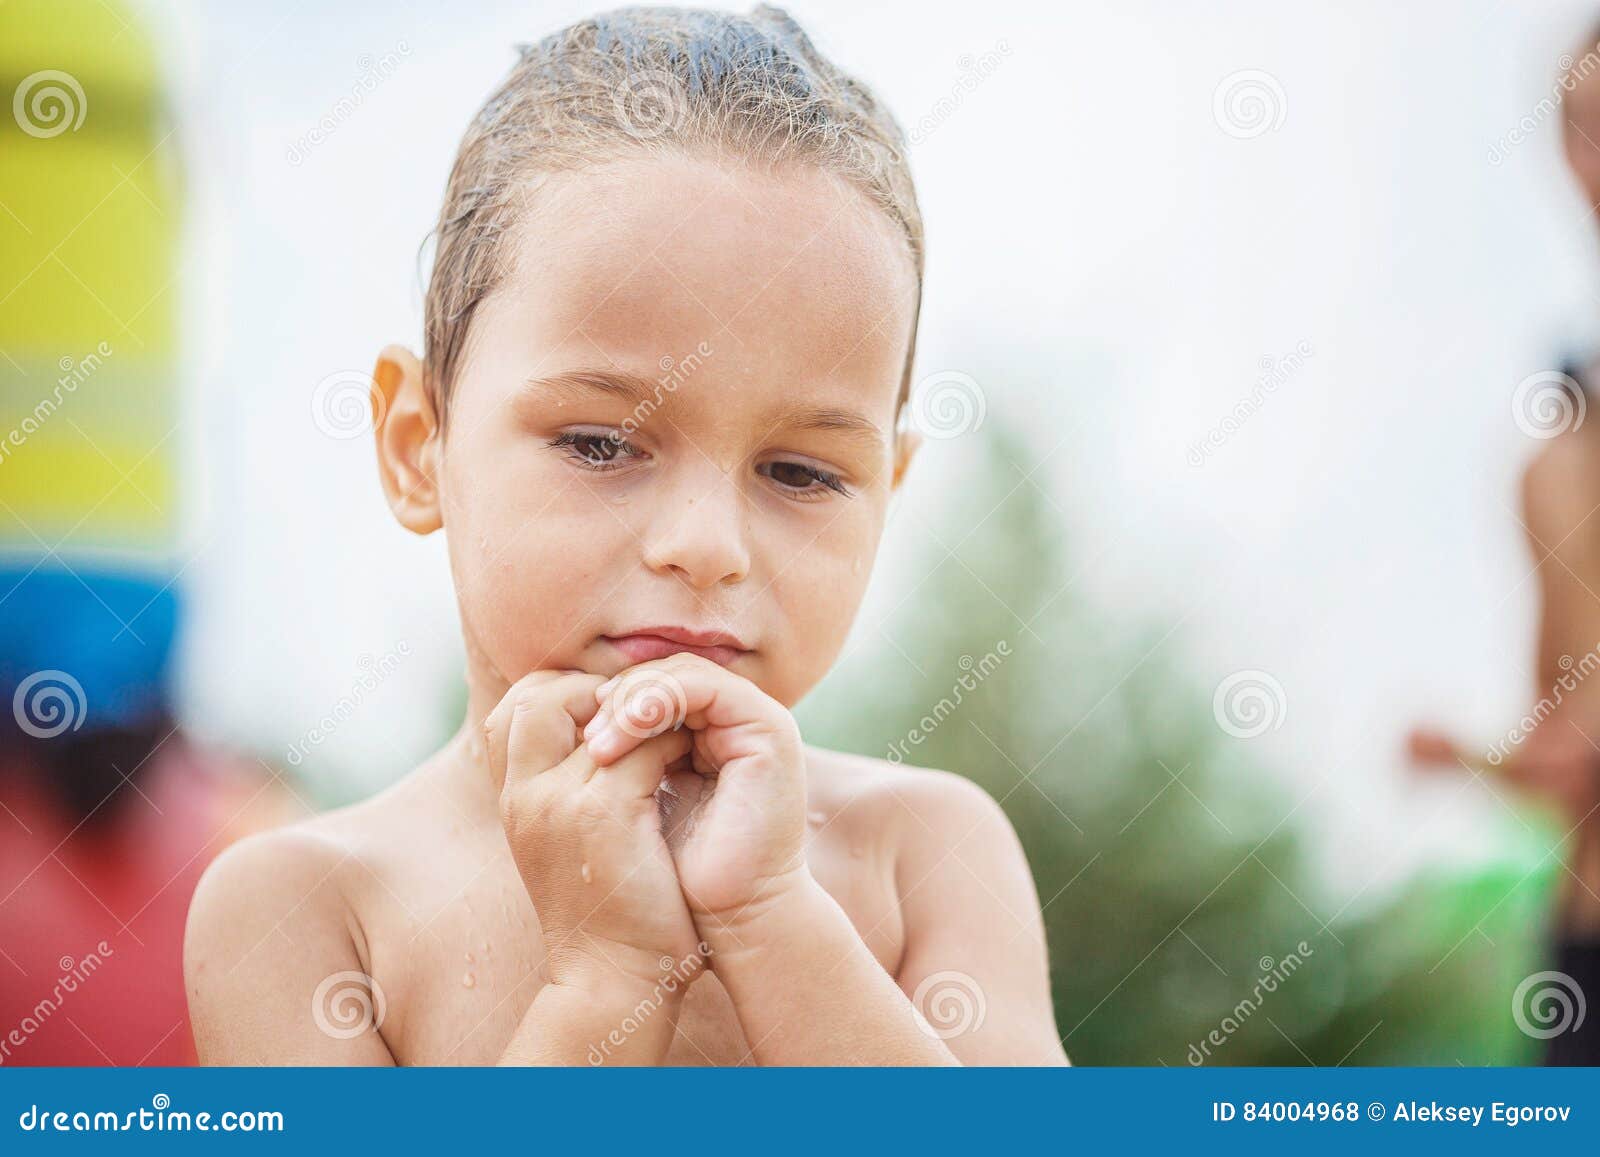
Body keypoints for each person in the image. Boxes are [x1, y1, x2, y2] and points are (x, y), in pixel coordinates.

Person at [183, 5, 1066, 1066]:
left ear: (889, 488)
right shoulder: (306, 907)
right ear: (420, 447)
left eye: (801, 471)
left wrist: (770, 916)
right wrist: (609, 975)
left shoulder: (925, 856)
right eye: (602, 443)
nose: (708, 546)